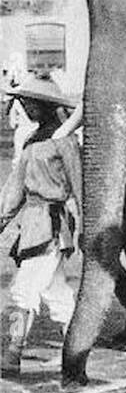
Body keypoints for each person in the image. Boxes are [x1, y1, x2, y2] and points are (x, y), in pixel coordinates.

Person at [0, 77, 81, 376]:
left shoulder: (65, 142)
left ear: (46, 106)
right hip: (32, 224)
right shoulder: (30, 142)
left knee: (25, 288)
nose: (26, 106)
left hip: (52, 224)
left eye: (32, 102)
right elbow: (14, 190)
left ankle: (12, 353)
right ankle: (77, 346)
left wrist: (85, 225)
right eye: (25, 102)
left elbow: (80, 187)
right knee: (55, 291)